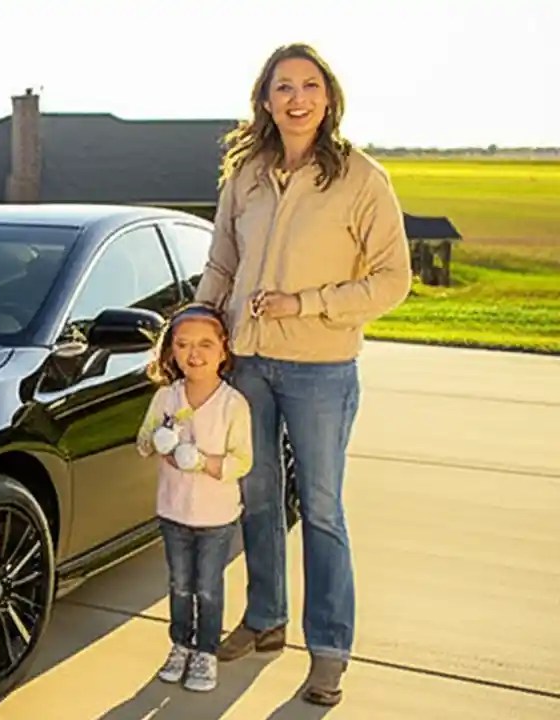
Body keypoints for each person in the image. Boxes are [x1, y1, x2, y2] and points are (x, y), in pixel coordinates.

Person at [194, 42, 412, 706]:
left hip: (321, 369)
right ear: (266, 100)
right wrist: (203, 320)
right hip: (249, 363)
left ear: (328, 97)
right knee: (255, 500)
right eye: (283, 87)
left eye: (309, 86)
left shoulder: (361, 179)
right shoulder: (247, 176)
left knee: (320, 510)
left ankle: (328, 652)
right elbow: (223, 261)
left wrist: (308, 303)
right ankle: (264, 619)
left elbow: (392, 279)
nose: (297, 98)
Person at [136, 303, 253, 693]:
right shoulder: (167, 399)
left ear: (224, 349)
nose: (194, 353)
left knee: (207, 586)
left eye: (205, 344)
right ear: (171, 351)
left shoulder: (233, 405)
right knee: (180, 583)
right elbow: (142, 441)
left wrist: (202, 461)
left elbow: (243, 461)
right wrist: (158, 440)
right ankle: (180, 644)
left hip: (215, 517)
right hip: (173, 511)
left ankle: (206, 651)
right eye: (183, 344)